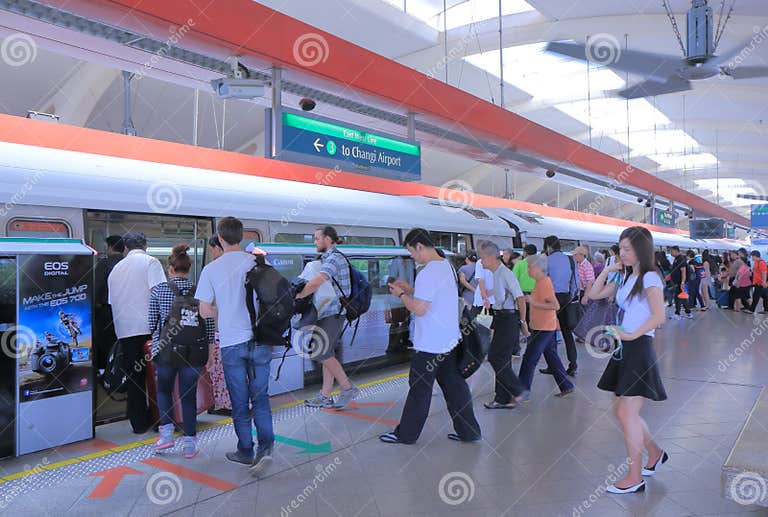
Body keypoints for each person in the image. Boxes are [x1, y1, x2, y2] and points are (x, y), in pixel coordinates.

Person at [380, 228, 480, 444]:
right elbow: (434, 299)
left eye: (412, 252)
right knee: (455, 387)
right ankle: (469, 431)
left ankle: (406, 435)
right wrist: (412, 290)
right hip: (449, 340)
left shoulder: (427, 272)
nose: (413, 257)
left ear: (420, 246)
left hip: (430, 345)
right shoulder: (447, 266)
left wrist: (401, 294)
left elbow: (420, 309)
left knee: (419, 390)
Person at [589, 226, 668, 494]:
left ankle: (635, 478)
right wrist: (606, 270)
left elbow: (659, 316)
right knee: (623, 411)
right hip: (624, 347)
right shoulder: (627, 277)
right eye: (619, 248)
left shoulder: (649, 278)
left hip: (638, 346)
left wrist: (632, 334)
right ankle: (655, 453)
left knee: (626, 412)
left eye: (627, 249)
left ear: (641, 250)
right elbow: (593, 295)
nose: (621, 253)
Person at [196, 217, 274, 475]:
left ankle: (245, 450)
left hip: (231, 344)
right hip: (261, 341)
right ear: (242, 237)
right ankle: (266, 449)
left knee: (240, 402)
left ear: (219, 238)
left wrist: (224, 311)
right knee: (260, 397)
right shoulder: (258, 262)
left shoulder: (211, 269)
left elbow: (205, 311)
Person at [149, 244, 215, 458]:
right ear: (188, 269)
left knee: (164, 391)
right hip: (194, 351)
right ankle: (189, 444)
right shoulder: (200, 291)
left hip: (166, 350)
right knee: (188, 395)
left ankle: (166, 437)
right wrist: (211, 350)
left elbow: (151, 323)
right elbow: (209, 323)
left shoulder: (159, 290)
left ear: (170, 269)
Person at [108, 232, 166, 434]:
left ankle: (139, 423)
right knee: (156, 376)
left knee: (135, 378)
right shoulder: (151, 262)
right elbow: (159, 294)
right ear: (146, 245)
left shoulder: (116, 269)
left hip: (124, 331)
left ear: (125, 247)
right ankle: (161, 419)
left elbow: (111, 301)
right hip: (148, 329)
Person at [296, 226, 359, 409]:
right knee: (326, 353)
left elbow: (317, 281)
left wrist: (298, 296)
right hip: (328, 312)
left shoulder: (334, 258)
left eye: (317, 238)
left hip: (334, 313)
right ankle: (325, 396)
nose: (315, 242)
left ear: (328, 239)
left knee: (320, 351)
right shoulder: (327, 258)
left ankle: (348, 388)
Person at [479, 241, 529, 408]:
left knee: (494, 356)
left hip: (508, 320)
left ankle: (518, 389)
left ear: (491, 257)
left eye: (482, 258)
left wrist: (523, 322)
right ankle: (502, 398)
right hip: (501, 318)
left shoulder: (505, 273)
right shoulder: (496, 274)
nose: (481, 261)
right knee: (503, 359)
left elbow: (520, 298)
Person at [517, 253, 574, 398]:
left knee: (530, 358)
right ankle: (566, 385)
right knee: (552, 357)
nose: (528, 271)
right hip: (542, 326)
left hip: (544, 328)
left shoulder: (545, 283)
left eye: (529, 268)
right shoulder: (540, 282)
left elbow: (555, 305)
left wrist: (533, 302)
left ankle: (522, 391)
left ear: (536, 267)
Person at [540, 236, 578, 376]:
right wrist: (570, 295)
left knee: (550, 333)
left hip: (551, 299)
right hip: (566, 298)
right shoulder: (570, 259)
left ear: (548, 247)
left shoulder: (546, 261)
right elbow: (575, 281)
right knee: (567, 333)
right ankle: (573, 365)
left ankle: (553, 366)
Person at [94, 235, 124, 372]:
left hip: (106, 312)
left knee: (104, 344)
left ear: (110, 247)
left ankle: (105, 372)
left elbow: (96, 287)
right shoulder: (127, 263)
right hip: (125, 312)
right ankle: (120, 373)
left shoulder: (104, 264)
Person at [471, 244, 495, 319]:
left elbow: (481, 280)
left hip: (481, 298)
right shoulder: (498, 263)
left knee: (474, 322)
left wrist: (485, 297)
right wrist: (492, 292)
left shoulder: (480, 262)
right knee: (493, 324)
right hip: (495, 298)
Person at [668, 246, 691, 320]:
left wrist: (682, 283)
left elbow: (683, 272)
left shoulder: (680, 259)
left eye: (671, 251)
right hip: (677, 282)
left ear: (676, 251)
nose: (670, 253)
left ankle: (677, 313)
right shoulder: (677, 259)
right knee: (682, 298)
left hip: (679, 283)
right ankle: (688, 313)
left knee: (678, 298)